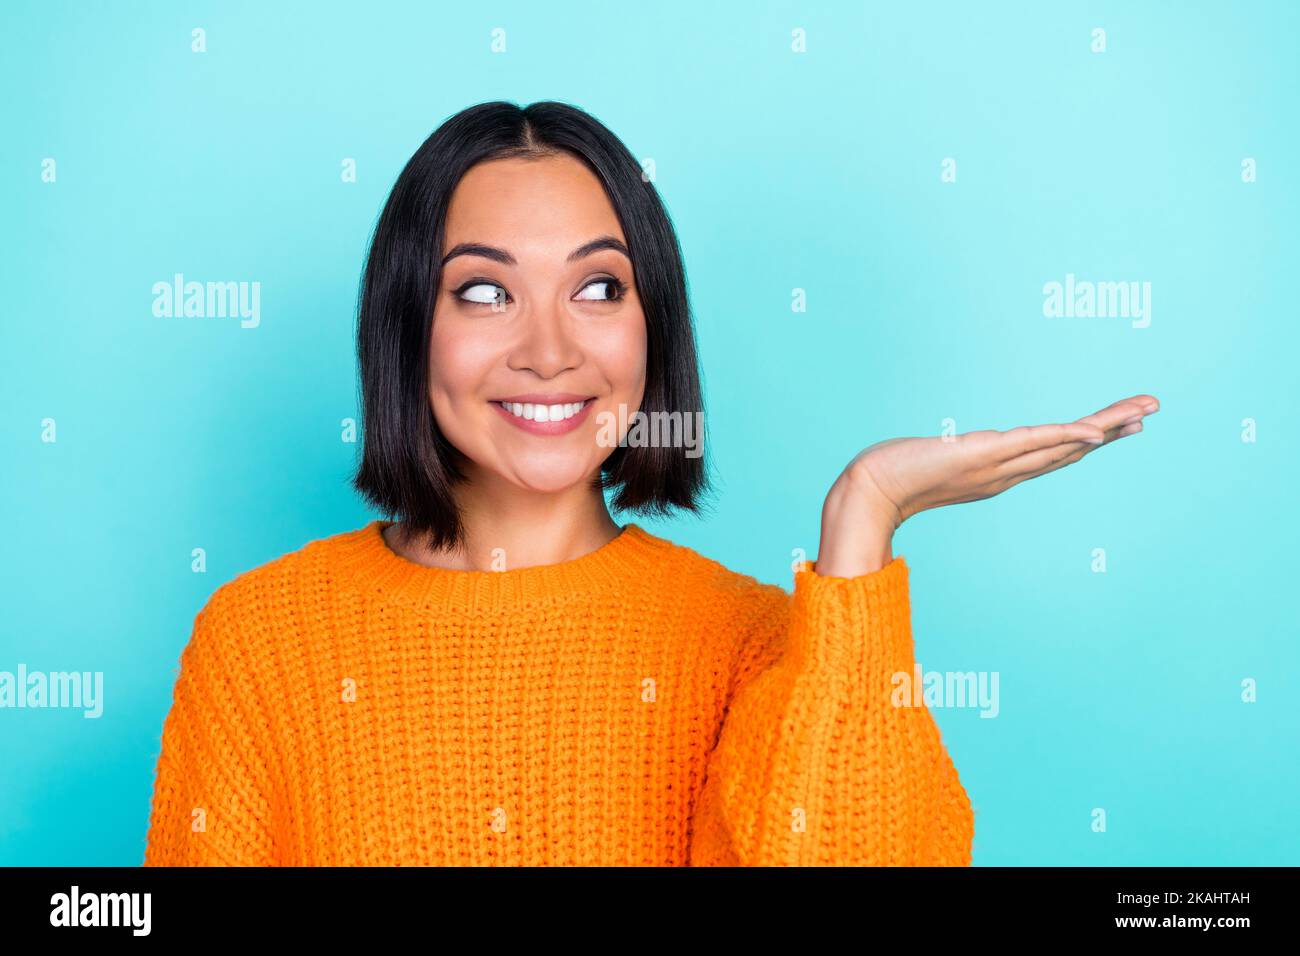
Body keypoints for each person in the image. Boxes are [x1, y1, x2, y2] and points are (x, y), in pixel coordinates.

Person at [143, 100, 1158, 866]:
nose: (548, 350)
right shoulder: (259, 643)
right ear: (409, 326)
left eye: (598, 287)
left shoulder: (759, 648)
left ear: (651, 325)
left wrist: (863, 524)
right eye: (485, 290)